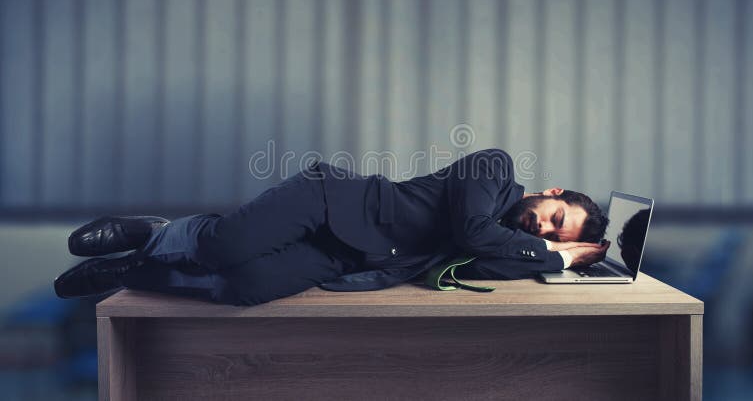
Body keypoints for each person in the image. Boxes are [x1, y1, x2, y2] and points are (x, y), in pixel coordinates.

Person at [54, 148, 610, 306]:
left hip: (351, 258)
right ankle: (151, 233)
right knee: (227, 247)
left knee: (246, 289)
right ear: (551, 191)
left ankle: (132, 273)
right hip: (333, 203)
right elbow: (471, 235)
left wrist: (554, 259)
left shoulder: (516, 244)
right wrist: (560, 258)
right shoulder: (494, 167)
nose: (542, 229)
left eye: (552, 236)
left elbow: (479, 262)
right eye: (555, 218)